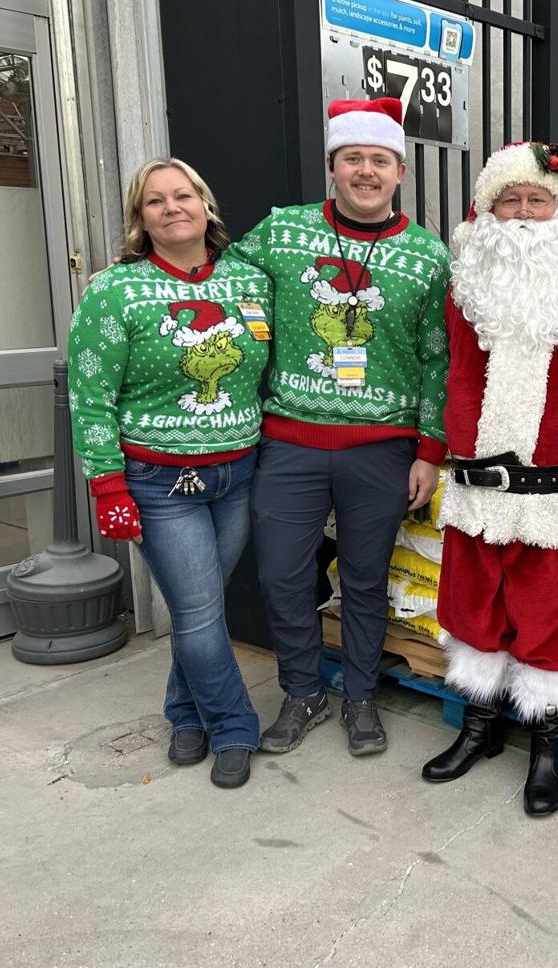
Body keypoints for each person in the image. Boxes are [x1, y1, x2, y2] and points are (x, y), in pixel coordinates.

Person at [231, 99, 451, 757]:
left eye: (379, 160)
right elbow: (226, 285)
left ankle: (359, 695)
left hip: (381, 449)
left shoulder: (427, 256)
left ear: (400, 171)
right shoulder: (282, 231)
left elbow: (438, 358)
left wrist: (430, 450)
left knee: (364, 579)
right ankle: (303, 692)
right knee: (281, 577)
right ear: (332, 165)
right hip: (290, 441)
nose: (365, 171)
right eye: (352, 158)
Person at [69, 158, 272, 789]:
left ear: (205, 205)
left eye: (183, 195)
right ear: (141, 218)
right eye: (155, 201)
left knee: (196, 609)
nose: (171, 207)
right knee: (200, 611)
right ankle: (233, 725)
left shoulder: (251, 280)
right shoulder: (114, 290)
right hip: (160, 486)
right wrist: (107, 484)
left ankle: (185, 713)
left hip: (237, 474)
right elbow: (91, 396)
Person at [420, 142, 558, 817]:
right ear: (486, 208)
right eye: (511, 200)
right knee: (472, 606)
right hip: (475, 488)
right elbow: (439, 370)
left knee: (551, 614)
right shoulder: (463, 283)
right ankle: (479, 726)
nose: (524, 213)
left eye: (538, 200)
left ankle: (546, 744)